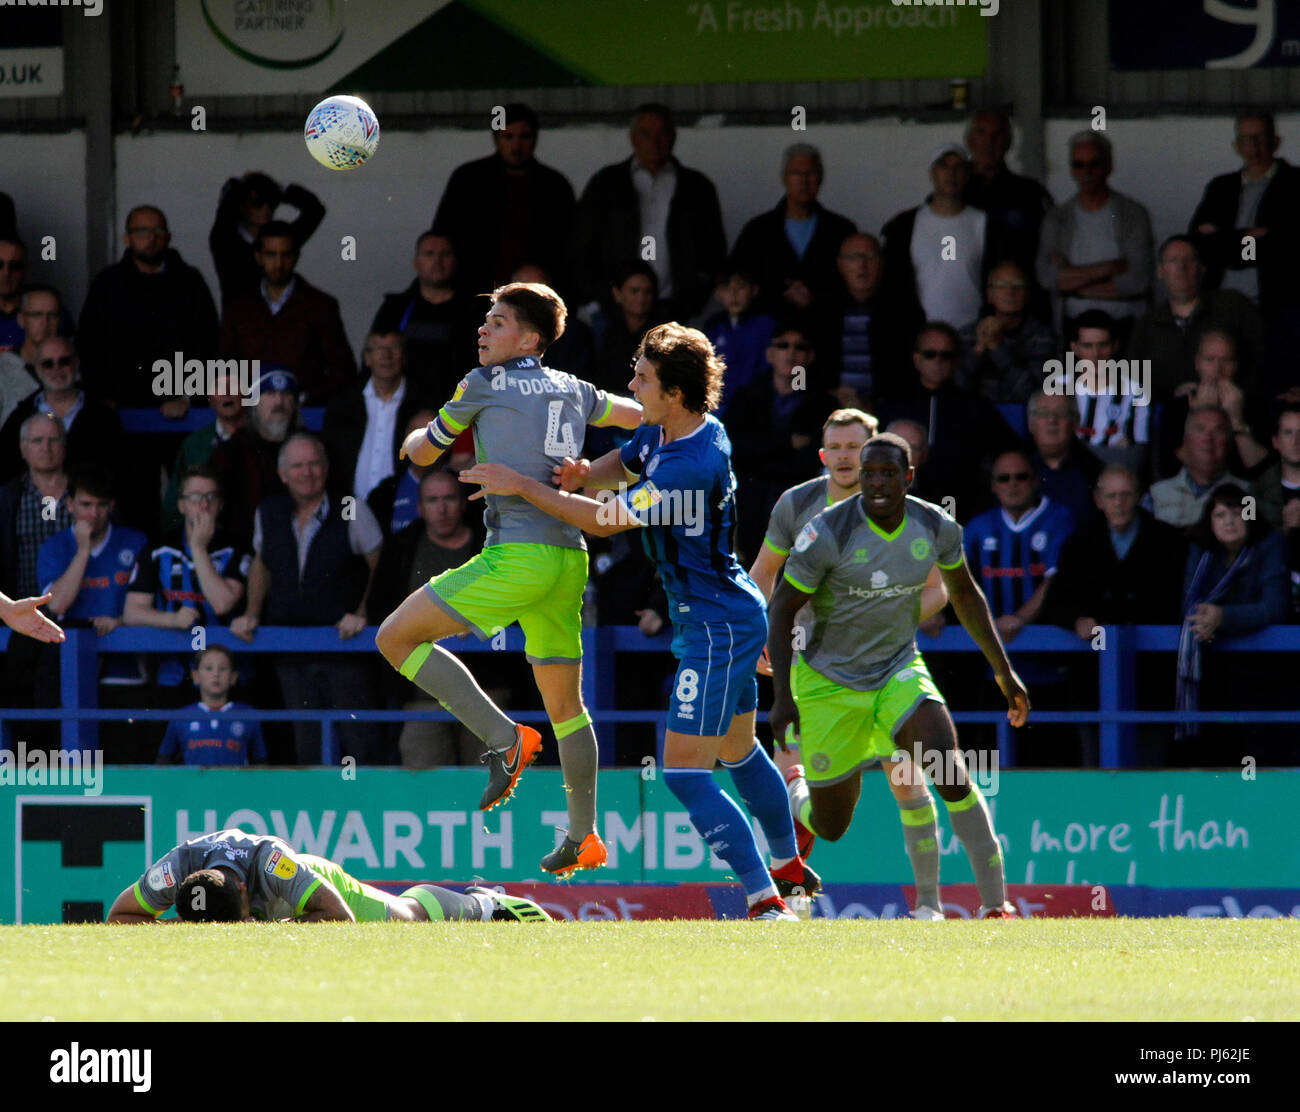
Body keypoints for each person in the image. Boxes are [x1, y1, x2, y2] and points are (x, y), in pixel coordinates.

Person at [459, 322, 816, 920]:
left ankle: (764, 900)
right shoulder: (678, 431)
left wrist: (521, 484)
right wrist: (580, 473)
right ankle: (788, 865)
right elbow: (622, 462)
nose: (631, 385)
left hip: (715, 628)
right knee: (738, 747)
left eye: (642, 379)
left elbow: (603, 522)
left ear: (673, 393)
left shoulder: (688, 465)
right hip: (725, 614)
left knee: (682, 773)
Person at [374, 282, 643, 877]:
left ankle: (504, 738)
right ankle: (584, 835)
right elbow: (641, 418)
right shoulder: (575, 388)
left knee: (394, 639)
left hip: (517, 556)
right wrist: (610, 468)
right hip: (570, 559)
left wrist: (410, 438)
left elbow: (425, 454)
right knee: (569, 709)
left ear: (529, 337)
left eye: (496, 322)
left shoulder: (482, 384)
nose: (483, 330)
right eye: (485, 321)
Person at [766, 433, 1030, 919]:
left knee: (949, 773)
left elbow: (966, 595)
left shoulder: (934, 524)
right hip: (827, 684)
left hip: (896, 671)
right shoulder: (827, 532)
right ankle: (795, 787)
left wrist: (1003, 671)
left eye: (889, 473)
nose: (878, 482)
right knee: (830, 825)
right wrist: (783, 698)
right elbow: (781, 610)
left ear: (908, 477)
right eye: (870, 474)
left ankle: (996, 907)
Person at [747, 409, 952, 918]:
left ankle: (928, 906)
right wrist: (761, 634)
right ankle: (789, 903)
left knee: (908, 777)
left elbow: (938, 588)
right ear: (822, 455)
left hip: (887, 667)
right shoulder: (796, 505)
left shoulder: (905, 511)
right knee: (797, 779)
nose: (843, 456)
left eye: (853, 448)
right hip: (812, 668)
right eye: (834, 447)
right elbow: (762, 573)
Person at [231, 433, 383, 765]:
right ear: (283, 474)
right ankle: (320, 813)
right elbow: (261, 562)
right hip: (291, 650)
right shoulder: (269, 512)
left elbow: (379, 564)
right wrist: (253, 612)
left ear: (326, 469)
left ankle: (366, 812)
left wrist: (362, 612)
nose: (307, 472)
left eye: (314, 464)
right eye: (298, 466)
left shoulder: (350, 508)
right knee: (308, 745)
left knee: (360, 744)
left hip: (345, 648)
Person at [105, 829, 550, 924]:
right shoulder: (174, 870)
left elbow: (340, 919)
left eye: (237, 922)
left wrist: (276, 931)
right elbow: (120, 916)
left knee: (405, 920)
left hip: (308, 889)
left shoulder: (273, 863)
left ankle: (485, 903)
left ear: (244, 892)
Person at [369, 469, 492, 769]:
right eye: (433, 500)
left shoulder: (492, 544)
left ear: (463, 503)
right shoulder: (401, 547)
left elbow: (520, 600)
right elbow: (380, 609)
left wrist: (481, 619)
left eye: (449, 498)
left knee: (490, 777)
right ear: (420, 507)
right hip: (422, 692)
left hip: (488, 687)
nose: (442, 508)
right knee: (423, 779)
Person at [572, 104, 726, 321]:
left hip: (678, 308)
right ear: (633, 138)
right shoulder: (607, 183)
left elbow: (714, 249)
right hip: (615, 310)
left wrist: (697, 298)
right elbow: (583, 245)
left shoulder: (697, 187)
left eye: (662, 133)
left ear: (673, 137)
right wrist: (598, 299)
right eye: (646, 133)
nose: (655, 141)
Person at [77, 205, 220, 412]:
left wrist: (189, 398)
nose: (151, 238)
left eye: (159, 231)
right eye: (142, 232)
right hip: (116, 409)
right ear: (127, 238)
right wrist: (101, 397)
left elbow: (208, 344)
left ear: (168, 237)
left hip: (177, 409)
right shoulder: (107, 284)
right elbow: (89, 344)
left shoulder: (190, 282)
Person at [1177, 484, 1290, 742]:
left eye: (1238, 513)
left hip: (1267, 670)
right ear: (1210, 521)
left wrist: (1221, 617)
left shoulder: (1269, 543)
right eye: (1220, 515)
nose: (1229, 521)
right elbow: (1190, 603)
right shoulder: (1200, 547)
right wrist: (1205, 620)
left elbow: (1275, 609)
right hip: (1213, 666)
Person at [876, 322, 1019, 522]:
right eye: (930, 354)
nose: (938, 361)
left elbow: (1010, 452)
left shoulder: (976, 407)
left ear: (956, 361)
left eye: (946, 355)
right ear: (916, 359)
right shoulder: (892, 406)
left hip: (963, 510)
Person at [432, 103, 576, 297]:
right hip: (474, 291)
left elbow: (569, 246)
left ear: (535, 138)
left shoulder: (554, 186)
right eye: (508, 137)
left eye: (524, 137)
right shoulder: (469, 180)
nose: (516, 146)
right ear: (496, 139)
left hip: (534, 294)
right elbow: (444, 235)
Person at [725, 320, 837, 562]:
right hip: (751, 502)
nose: (791, 352)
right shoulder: (747, 397)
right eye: (783, 345)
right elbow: (734, 448)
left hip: (802, 504)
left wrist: (764, 451)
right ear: (770, 354)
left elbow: (812, 458)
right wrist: (786, 443)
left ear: (810, 356)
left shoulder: (822, 402)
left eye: (800, 347)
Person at [218, 221, 356, 405]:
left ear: (296, 256)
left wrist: (304, 397)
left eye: (286, 255)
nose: (279, 263)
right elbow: (224, 365)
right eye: (271, 255)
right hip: (249, 417)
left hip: (304, 415)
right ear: (258, 256)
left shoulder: (321, 306)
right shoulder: (238, 307)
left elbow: (343, 371)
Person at [1125, 235, 1267, 405]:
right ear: (1160, 271)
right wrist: (1171, 397)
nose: (1181, 266)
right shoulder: (1147, 324)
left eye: (1189, 260)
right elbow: (1132, 379)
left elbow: (1262, 357)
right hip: (1167, 418)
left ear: (1201, 269)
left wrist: (1236, 392)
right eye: (1173, 260)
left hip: (1232, 408)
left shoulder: (1232, 305)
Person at [1036, 131, 1153, 332]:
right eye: (1078, 165)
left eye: (1094, 164)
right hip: (1074, 327)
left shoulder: (1133, 214)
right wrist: (1110, 268)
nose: (1086, 172)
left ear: (1109, 166)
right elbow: (1047, 277)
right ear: (1072, 170)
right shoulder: (1057, 218)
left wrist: (1073, 281)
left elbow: (1138, 280)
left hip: (1126, 325)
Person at [1189, 111, 1300, 320]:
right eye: (1245, 139)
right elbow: (1199, 245)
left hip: (1280, 307)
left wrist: (1225, 240)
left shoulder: (1294, 183)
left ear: (1275, 142)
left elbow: (1287, 244)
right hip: (1222, 305)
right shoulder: (1220, 187)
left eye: (1259, 137)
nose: (1252, 145)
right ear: (1236, 145)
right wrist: (1250, 236)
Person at [731, 143, 857, 316]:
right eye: (796, 173)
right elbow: (738, 279)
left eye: (811, 173)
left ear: (821, 178)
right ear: (784, 178)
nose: (804, 181)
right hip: (769, 330)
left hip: (827, 325)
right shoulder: (758, 230)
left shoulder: (841, 230)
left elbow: (853, 285)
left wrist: (816, 298)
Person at [963, 447, 1077, 640]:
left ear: (1035, 480)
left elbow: (1055, 579)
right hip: (993, 650)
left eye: (1021, 477)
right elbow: (954, 575)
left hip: (1048, 645)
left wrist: (1019, 619)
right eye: (1004, 478)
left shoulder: (1059, 519)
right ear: (993, 485)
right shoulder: (978, 526)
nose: (1012, 484)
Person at [882, 143, 997, 332]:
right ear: (932, 173)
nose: (951, 174)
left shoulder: (985, 223)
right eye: (944, 166)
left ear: (967, 175)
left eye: (959, 167)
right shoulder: (904, 226)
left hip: (973, 331)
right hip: (921, 333)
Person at [0, 337, 125, 502]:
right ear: (37, 369)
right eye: (48, 363)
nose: (57, 368)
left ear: (76, 363)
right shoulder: (20, 417)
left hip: (90, 514)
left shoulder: (104, 418)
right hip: (33, 512)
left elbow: (120, 476)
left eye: (64, 361)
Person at [321, 331, 436, 507]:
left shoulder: (422, 402)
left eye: (394, 347)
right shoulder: (343, 403)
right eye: (378, 348)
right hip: (349, 505)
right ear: (367, 358)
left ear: (404, 357)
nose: (386, 355)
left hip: (402, 504)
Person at [369, 231, 481, 400]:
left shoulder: (475, 310)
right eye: (429, 254)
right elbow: (375, 357)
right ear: (416, 262)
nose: (437, 261)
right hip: (401, 405)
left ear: (455, 261)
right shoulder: (395, 308)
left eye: (445, 254)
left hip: (457, 406)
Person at [814, 233, 919, 409]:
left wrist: (873, 403)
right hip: (829, 406)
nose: (862, 265)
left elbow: (909, 371)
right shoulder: (821, 310)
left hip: (887, 407)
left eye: (870, 257)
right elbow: (809, 367)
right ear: (840, 264)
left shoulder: (904, 311)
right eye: (854, 257)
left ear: (881, 263)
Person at [1156, 329, 1271, 480]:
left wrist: (1237, 420)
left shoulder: (1255, 405)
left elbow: (1265, 472)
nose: (1218, 370)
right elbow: (1169, 469)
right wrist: (1197, 416)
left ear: (1236, 365)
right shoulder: (1177, 407)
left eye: (1226, 361)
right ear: (1198, 363)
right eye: (1210, 360)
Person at [209, 172, 325, 309]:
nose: (266, 209)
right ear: (241, 205)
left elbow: (315, 210)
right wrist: (237, 187)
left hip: (279, 322)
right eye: (257, 202)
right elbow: (225, 211)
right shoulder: (226, 241)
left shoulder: (281, 239)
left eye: (271, 202)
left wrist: (281, 190)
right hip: (240, 324)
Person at [963, 109, 1055, 278]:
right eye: (981, 132)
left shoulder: (1030, 193)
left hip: (1016, 294)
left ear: (1008, 142)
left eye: (997, 134)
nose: (989, 142)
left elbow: (1050, 249)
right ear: (969, 141)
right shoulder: (955, 193)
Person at [1064, 309, 1151, 476]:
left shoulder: (1136, 392)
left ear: (1115, 346)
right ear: (1074, 348)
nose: (1096, 355)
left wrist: (1077, 448)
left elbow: (1134, 458)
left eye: (1102, 345)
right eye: (1088, 346)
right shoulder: (1058, 387)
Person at [160, 370, 248, 533]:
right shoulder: (195, 444)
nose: (227, 393)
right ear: (209, 398)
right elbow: (173, 507)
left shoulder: (259, 439)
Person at [959, 259, 1057, 403]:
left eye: (1018, 286)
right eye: (1001, 285)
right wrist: (979, 349)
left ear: (1027, 294)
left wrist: (997, 348)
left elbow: (1034, 394)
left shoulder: (1043, 337)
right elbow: (958, 387)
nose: (1010, 292)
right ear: (989, 294)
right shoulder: (967, 334)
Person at [155, 645, 266, 766]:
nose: (216, 674)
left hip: (233, 784)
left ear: (233, 677)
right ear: (195, 676)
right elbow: (163, 760)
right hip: (195, 784)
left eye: (223, 668)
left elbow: (260, 762)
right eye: (208, 668)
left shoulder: (248, 715)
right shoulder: (181, 716)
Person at [1145, 405, 1250, 530]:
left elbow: (1256, 542)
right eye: (1200, 429)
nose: (1208, 438)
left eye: (1218, 431)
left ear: (1228, 442)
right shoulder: (1155, 494)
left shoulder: (1248, 493)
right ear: (1186, 440)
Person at [702, 260, 775, 415]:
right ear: (718, 293)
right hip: (717, 406)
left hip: (755, 406)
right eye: (727, 288)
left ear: (754, 290)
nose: (734, 294)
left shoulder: (767, 325)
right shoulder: (713, 327)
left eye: (740, 287)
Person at [1025, 388, 1102, 531]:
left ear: (1075, 424)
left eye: (1061, 413)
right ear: (1031, 424)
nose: (1052, 420)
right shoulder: (1014, 468)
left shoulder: (1095, 472)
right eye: (1044, 413)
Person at [1255, 404, 1300, 612]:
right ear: (1276, 441)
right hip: (1270, 594)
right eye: (1288, 433)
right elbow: (1245, 544)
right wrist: (1283, 529)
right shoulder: (1251, 492)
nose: (1296, 441)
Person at [0, 285, 59, 427]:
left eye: (52, 315)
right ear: (21, 319)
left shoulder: (71, 368)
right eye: (37, 314)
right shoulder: (3, 369)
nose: (45, 323)